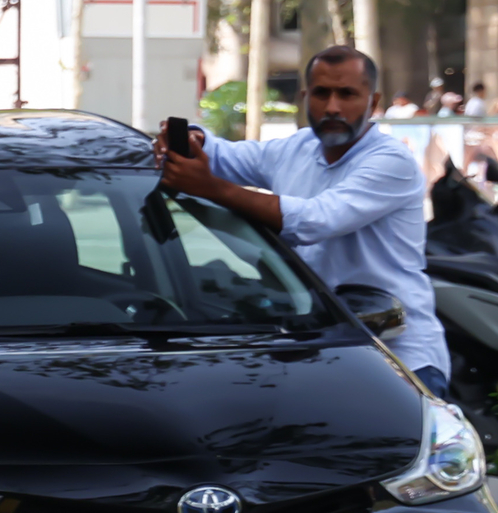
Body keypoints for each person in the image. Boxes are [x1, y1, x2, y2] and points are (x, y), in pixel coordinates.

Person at [158, 44, 447, 396]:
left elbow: (315, 221)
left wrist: (211, 188)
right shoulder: (295, 148)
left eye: (347, 94)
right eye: (322, 94)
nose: (333, 107)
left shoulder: (391, 161)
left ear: (373, 103)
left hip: (398, 360)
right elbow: (227, 155)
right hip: (321, 354)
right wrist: (194, 139)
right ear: (305, 97)